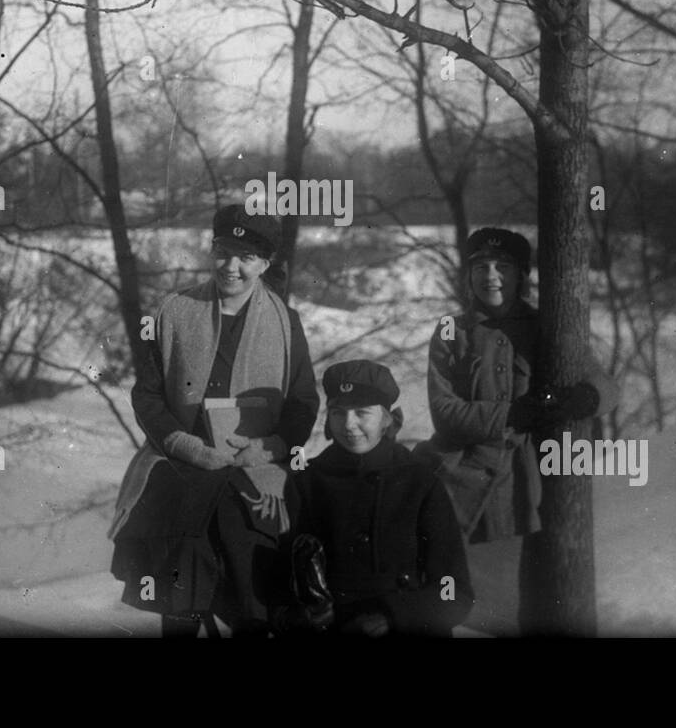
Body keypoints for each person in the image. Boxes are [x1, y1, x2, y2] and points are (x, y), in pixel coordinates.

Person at [109, 204, 320, 636]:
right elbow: (147, 395)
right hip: (183, 460)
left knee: (252, 564)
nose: (232, 267)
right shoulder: (173, 310)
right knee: (181, 563)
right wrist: (184, 445)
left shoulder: (285, 322)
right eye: (224, 252)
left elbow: (302, 400)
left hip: (253, 462)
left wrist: (271, 447)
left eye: (246, 257)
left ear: (265, 263)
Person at [419, 227, 617, 632]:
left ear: (522, 275)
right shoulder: (450, 332)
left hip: (519, 496)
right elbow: (445, 412)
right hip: (457, 486)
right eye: (480, 267)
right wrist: (514, 415)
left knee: (508, 612)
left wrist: (586, 399)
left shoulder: (549, 327)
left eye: (503, 266)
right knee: (451, 612)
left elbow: (607, 386)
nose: (490, 276)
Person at [274, 360, 474, 636]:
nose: (349, 425)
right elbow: (285, 582)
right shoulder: (308, 482)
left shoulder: (419, 482)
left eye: (362, 413)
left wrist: (393, 616)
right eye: (338, 413)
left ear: (387, 419)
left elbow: (455, 593)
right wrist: (305, 614)